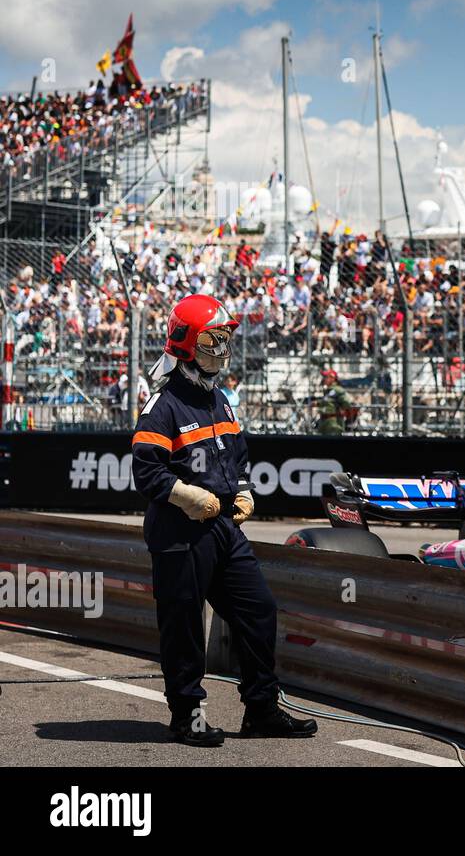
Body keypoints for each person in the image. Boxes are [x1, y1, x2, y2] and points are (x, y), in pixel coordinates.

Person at [131, 294, 316, 747]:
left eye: (225, 337)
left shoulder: (220, 399)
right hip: (180, 531)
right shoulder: (164, 404)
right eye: (214, 338)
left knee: (258, 609)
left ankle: (261, 709)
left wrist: (244, 489)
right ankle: (187, 714)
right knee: (184, 625)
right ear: (188, 343)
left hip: (222, 529)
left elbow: (236, 455)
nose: (223, 346)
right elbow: (146, 469)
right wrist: (186, 496)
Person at [316, 368, 352, 435]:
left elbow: (346, 403)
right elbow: (328, 402)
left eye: (326, 377)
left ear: (332, 378)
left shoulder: (338, 390)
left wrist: (341, 410)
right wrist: (318, 403)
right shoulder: (328, 391)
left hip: (333, 423)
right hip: (325, 422)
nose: (324, 379)